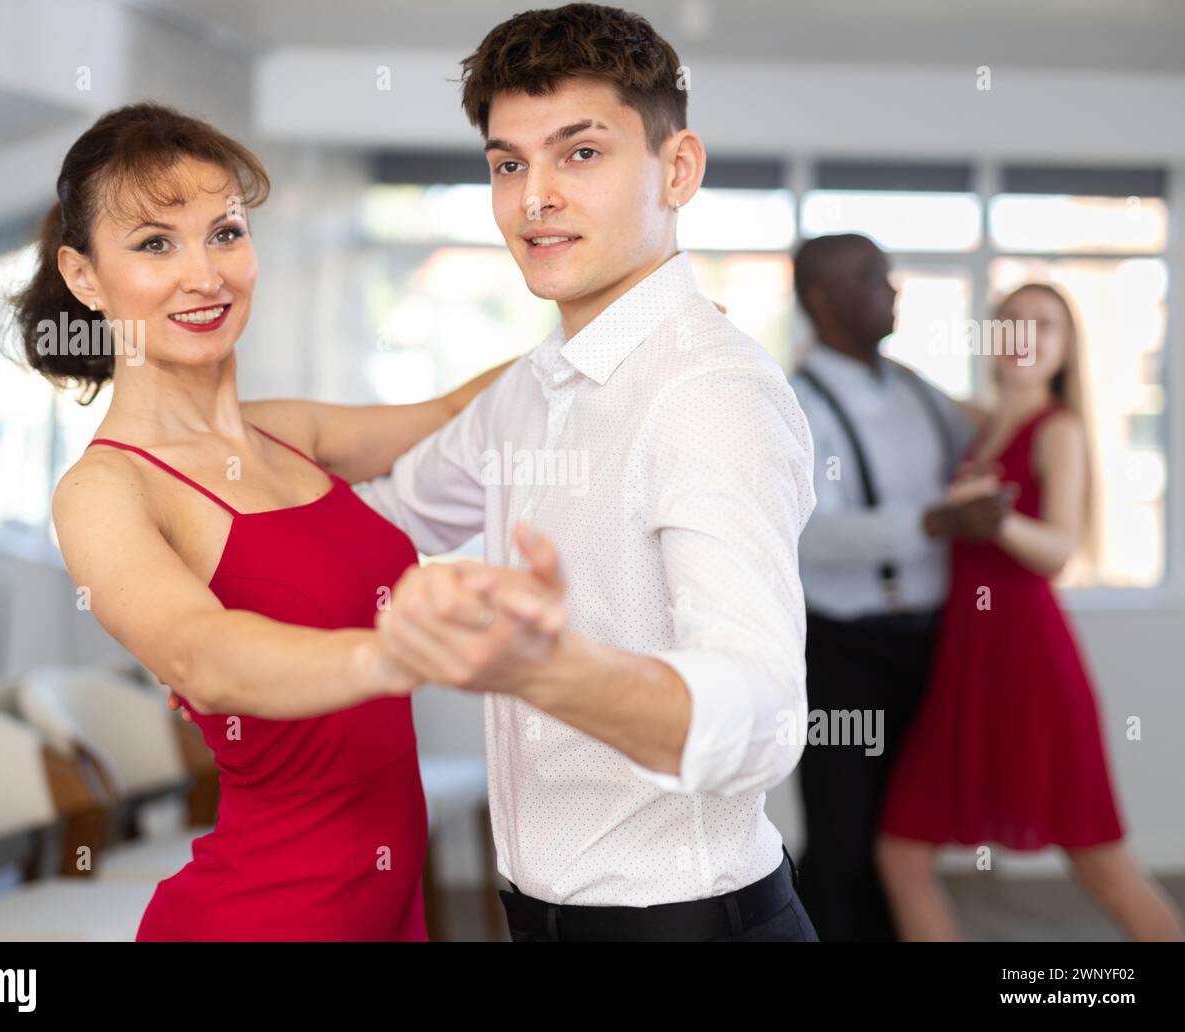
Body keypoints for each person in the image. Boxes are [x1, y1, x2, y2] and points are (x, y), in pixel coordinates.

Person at [352, 3, 820, 942]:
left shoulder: (709, 392)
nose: (534, 199)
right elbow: (382, 522)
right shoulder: (531, 391)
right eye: (508, 163)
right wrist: (212, 623)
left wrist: (561, 674)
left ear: (676, 168)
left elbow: (764, 715)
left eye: (581, 153)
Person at [9, 102, 523, 940]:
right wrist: (402, 649)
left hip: (387, 906)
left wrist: (623, 333)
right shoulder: (106, 490)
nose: (205, 274)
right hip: (267, 914)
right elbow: (203, 658)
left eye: (225, 232)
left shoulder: (287, 433)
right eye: (154, 244)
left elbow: (463, 408)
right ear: (83, 277)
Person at [875, 283, 1185, 941]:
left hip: (1030, 665)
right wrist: (869, 354)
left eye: (1042, 326)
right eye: (1010, 322)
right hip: (967, 663)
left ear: (1066, 348)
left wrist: (995, 519)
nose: (1022, 337)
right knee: (902, 853)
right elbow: (925, 393)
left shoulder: (1059, 430)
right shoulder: (984, 425)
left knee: (1101, 864)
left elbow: (1058, 552)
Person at [788, 232, 1016, 941]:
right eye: (871, 278)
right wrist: (932, 521)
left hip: (929, 645)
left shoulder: (918, 391)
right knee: (843, 839)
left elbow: (991, 441)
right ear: (821, 299)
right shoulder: (792, 404)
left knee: (905, 841)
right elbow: (808, 536)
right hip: (843, 655)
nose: (893, 290)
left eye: (888, 275)